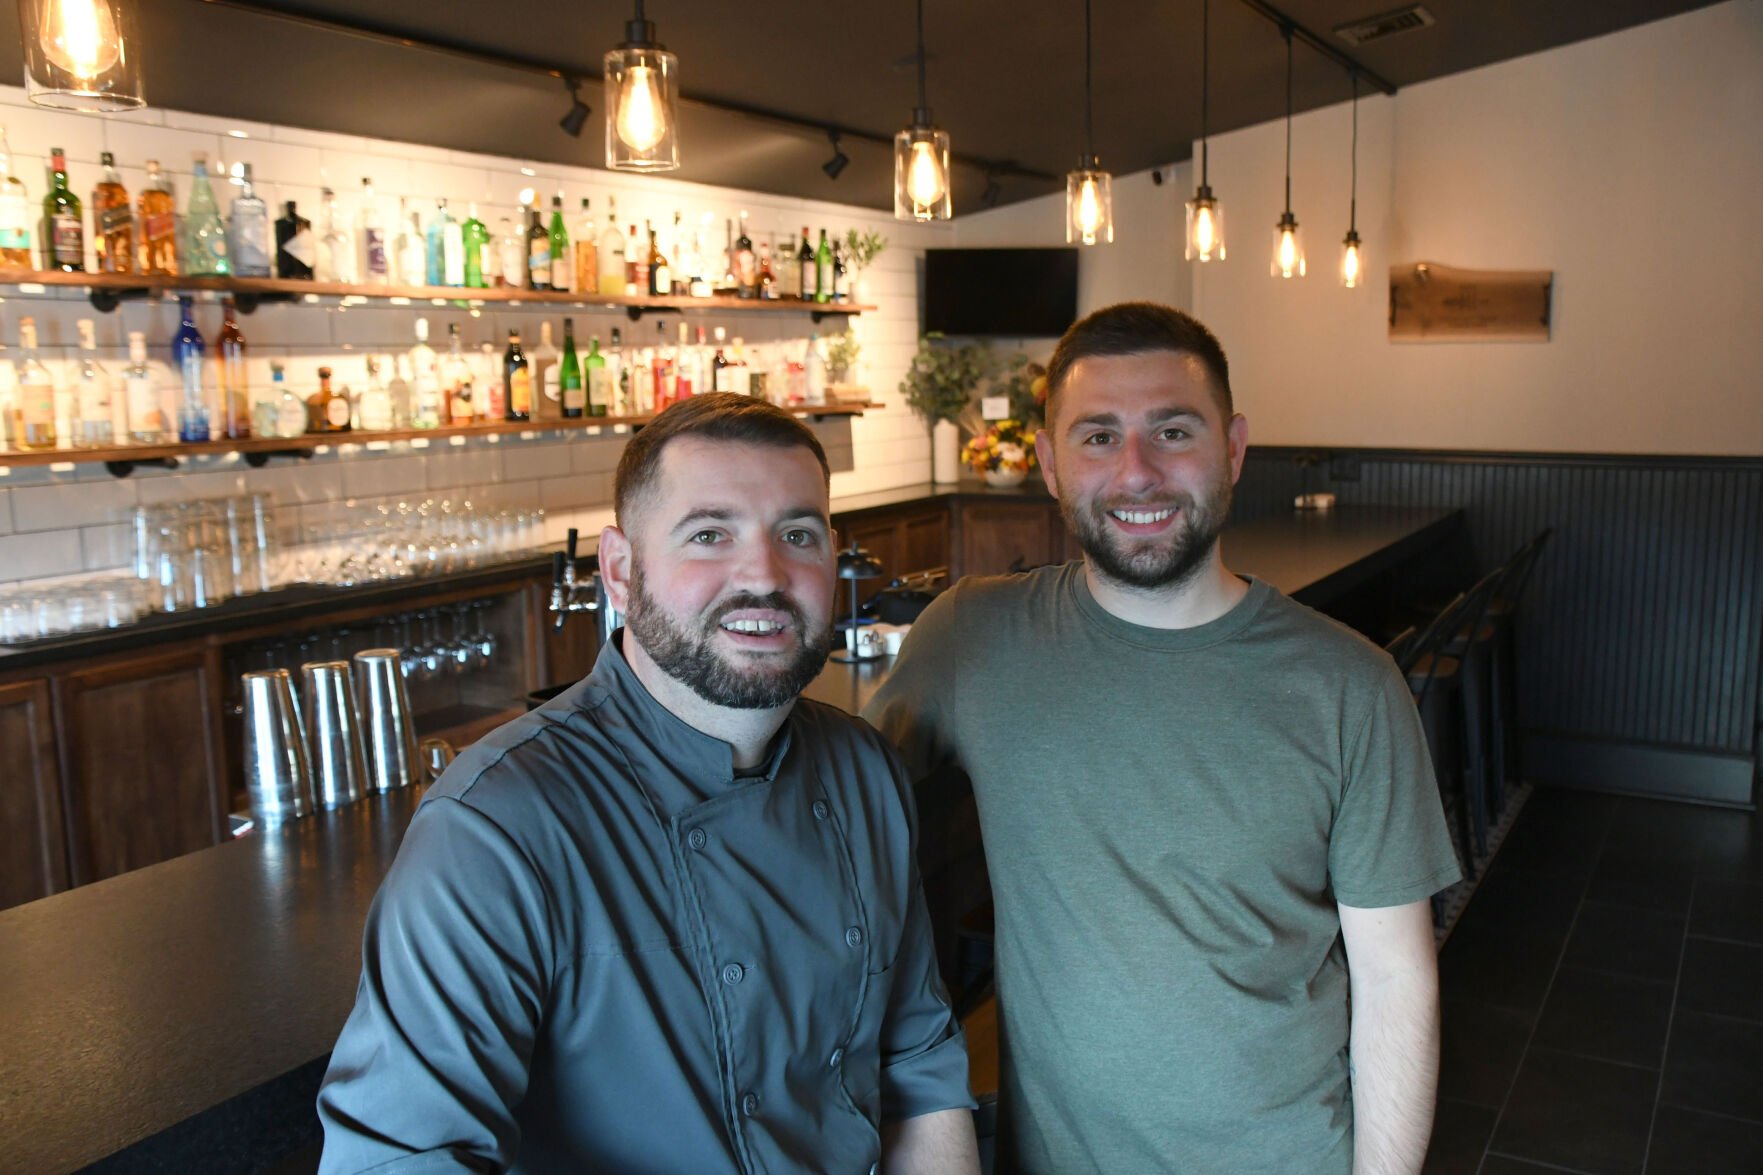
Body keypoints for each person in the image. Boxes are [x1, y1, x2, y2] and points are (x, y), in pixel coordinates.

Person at [864, 303, 1462, 1174]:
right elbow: (822, 806)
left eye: (1171, 430)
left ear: (1233, 447)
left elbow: (1395, 981)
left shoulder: (1350, 685)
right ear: (1048, 465)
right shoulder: (973, 639)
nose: (1135, 472)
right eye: (1097, 436)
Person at [318, 393, 979, 1174]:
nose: (763, 575)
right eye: (709, 534)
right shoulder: (496, 826)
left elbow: (917, 1060)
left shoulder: (861, 768)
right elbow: (402, 1160)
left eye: (795, 534)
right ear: (621, 572)